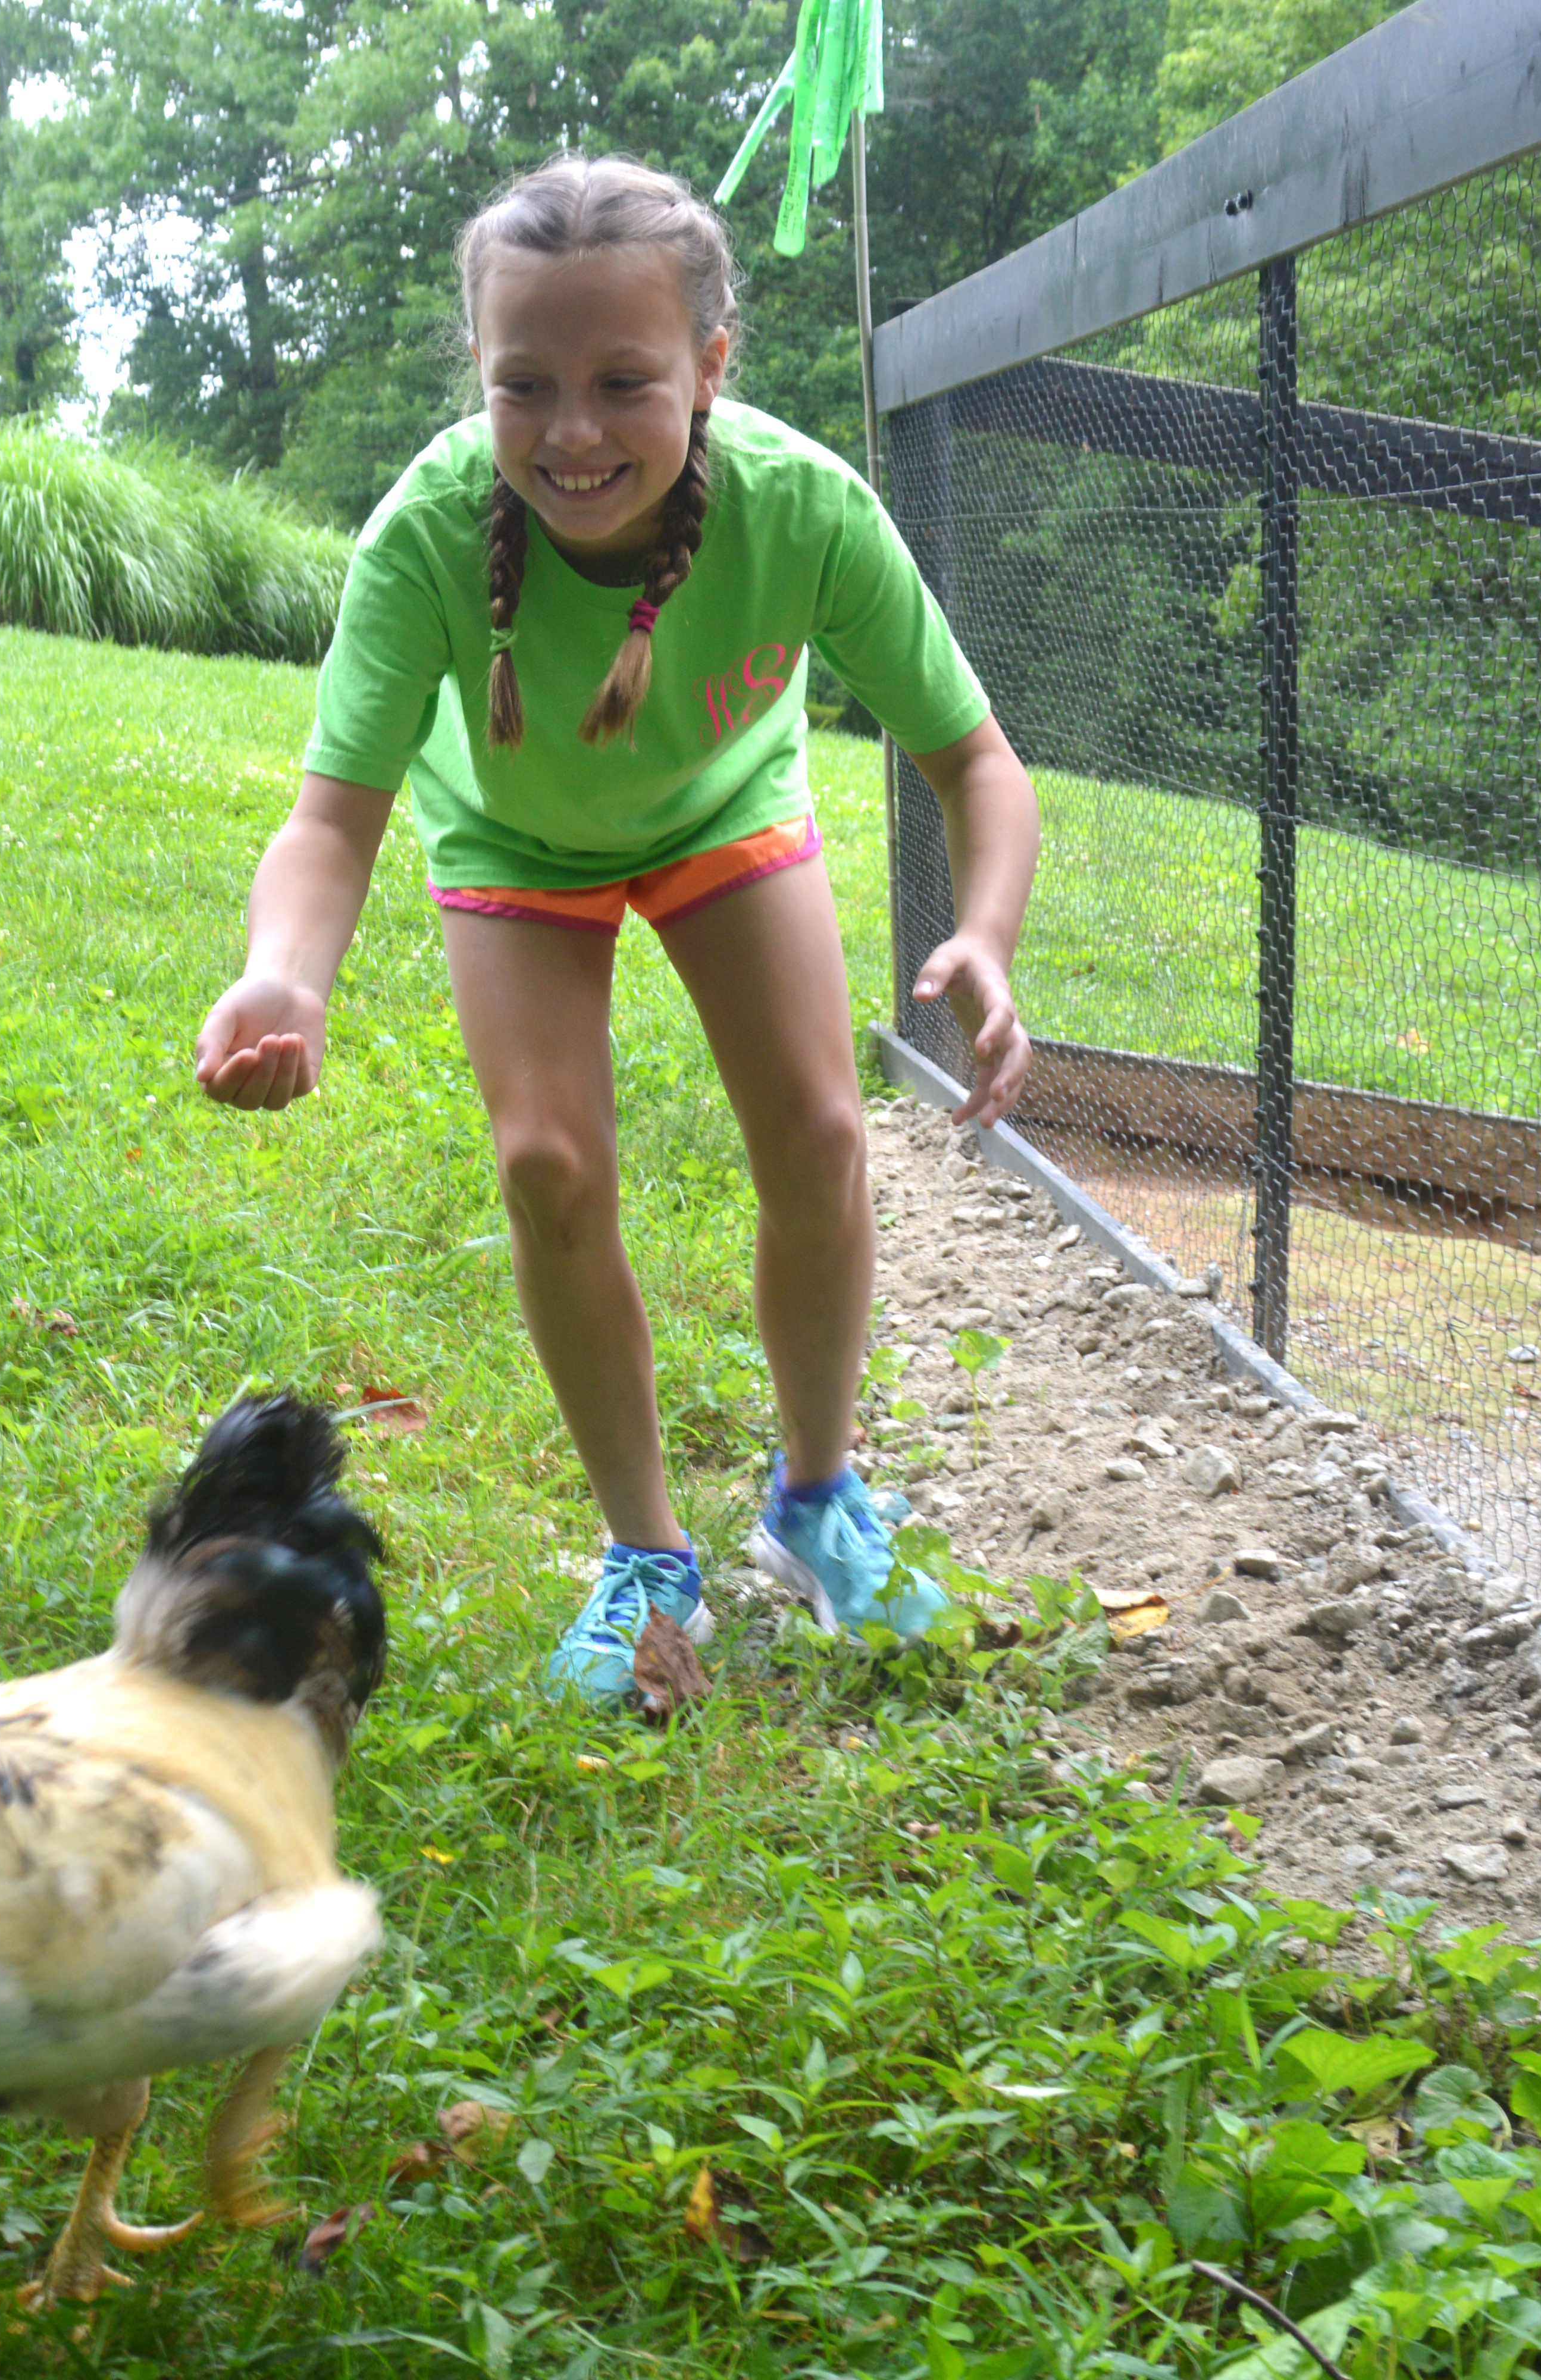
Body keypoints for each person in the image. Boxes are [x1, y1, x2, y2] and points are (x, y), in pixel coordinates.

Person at [192, 155, 1038, 1709]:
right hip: (515, 840)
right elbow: (332, 821)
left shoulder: (805, 511)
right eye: (526, 385)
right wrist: (283, 974)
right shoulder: (427, 536)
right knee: (548, 1168)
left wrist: (984, 933)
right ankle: (647, 1555)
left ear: (711, 365)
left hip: (723, 810)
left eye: (623, 383)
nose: (572, 433)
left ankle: (818, 1498)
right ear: (479, 371)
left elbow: (975, 763)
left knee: (821, 1134)